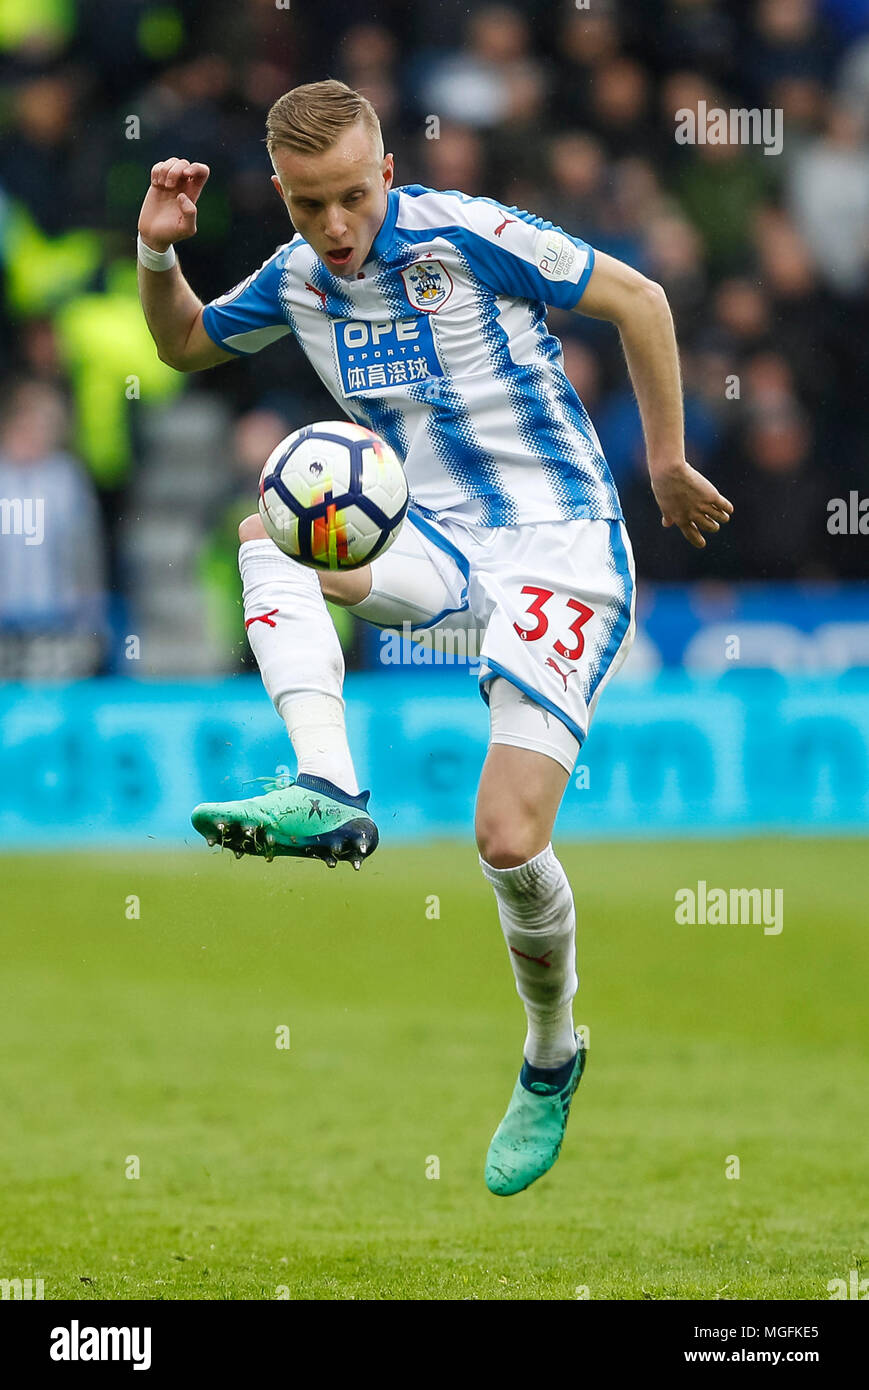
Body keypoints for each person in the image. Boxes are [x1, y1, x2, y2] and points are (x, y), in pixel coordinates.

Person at [137, 80, 732, 1197]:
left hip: (559, 547)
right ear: (284, 195)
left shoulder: (472, 238)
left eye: (354, 198)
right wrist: (158, 254)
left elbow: (641, 299)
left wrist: (660, 461)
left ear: (387, 177)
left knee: (506, 840)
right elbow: (178, 349)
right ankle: (328, 785)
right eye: (311, 205)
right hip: (437, 540)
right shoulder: (296, 281)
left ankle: (550, 1052)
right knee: (266, 536)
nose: (336, 227)